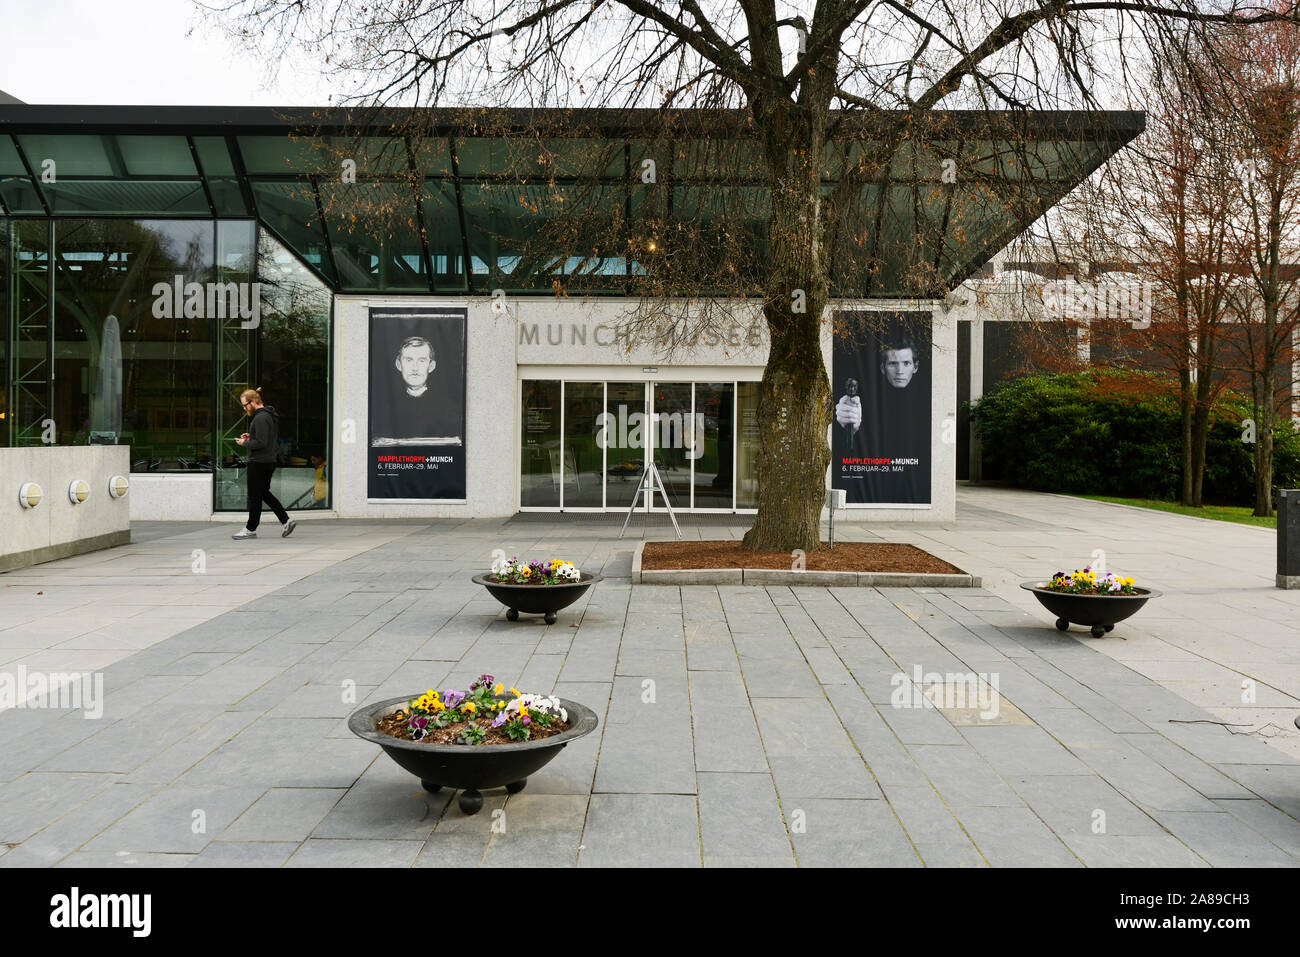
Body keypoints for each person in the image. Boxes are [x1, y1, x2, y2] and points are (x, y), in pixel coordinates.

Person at [232, 388, 296, 540]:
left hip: (259, 462)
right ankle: (286, 520)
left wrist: (244, 443)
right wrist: (250, 436)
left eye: (245, 404)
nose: (244, 408)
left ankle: (250, 529)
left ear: (254, 401)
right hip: (268, 461)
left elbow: (261, 442)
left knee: (255, 496)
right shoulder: (268, 415)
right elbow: (264, 438)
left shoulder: (260, 418)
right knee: (263, 494)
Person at [372, 335, 459, 444]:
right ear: (399, 365)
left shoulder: (447, 408)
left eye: (421, 361)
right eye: (409, 360)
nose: (415, 368)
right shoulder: (384, 407)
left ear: (431, 366)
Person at [834, 377, 862, 451]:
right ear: (846, 387)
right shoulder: (843, 400)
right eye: (849, 386)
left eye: (854, 387)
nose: (852, 389)